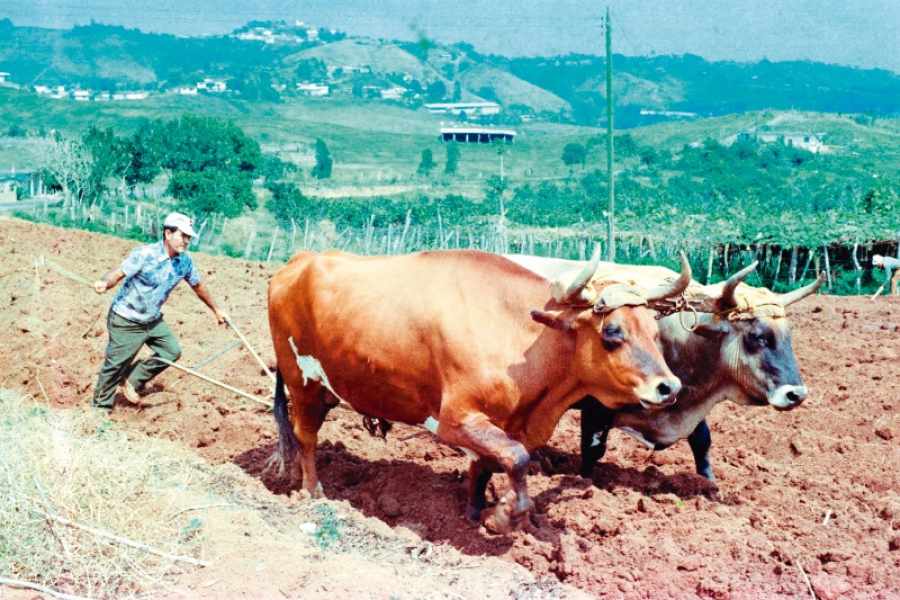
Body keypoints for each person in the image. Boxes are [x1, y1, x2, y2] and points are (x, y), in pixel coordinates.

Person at [91, 212, 228, 411]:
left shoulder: (184, 262)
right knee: (115, 365)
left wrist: (216, 309)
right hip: (126, 318)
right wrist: (105, 282)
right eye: (183, 236)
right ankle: (100, 409)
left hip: (152, 319)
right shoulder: (145, 254)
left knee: (171, 350)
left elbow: (197, 285)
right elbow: (119, 273)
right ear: (167, 233)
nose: (187, 241)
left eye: (189, 237)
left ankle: (132, 379)